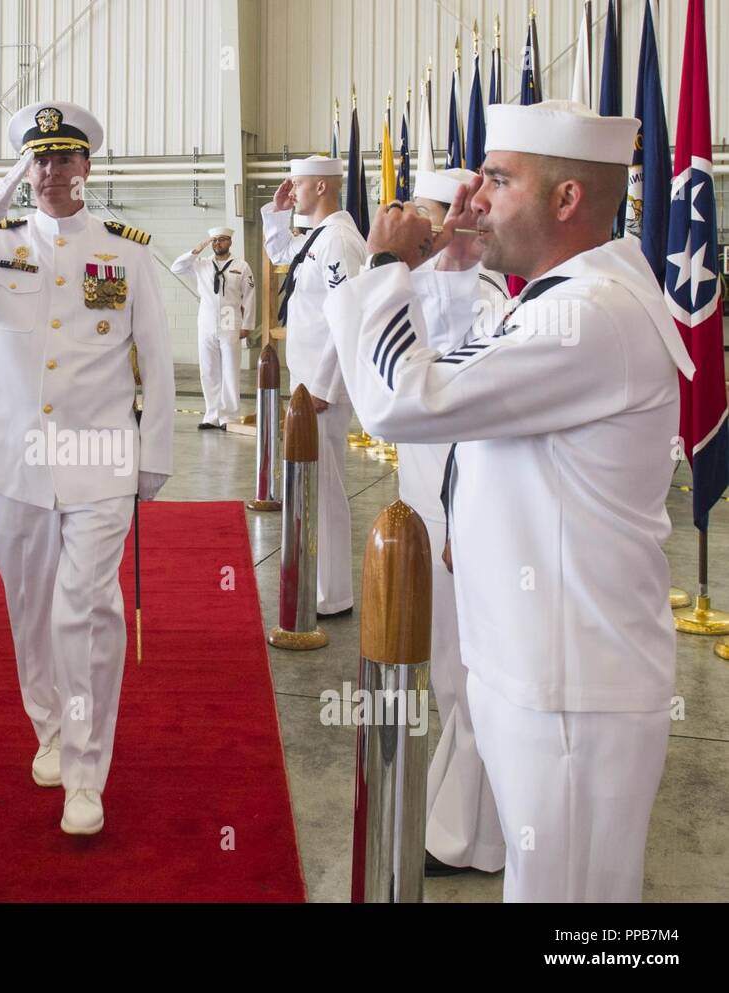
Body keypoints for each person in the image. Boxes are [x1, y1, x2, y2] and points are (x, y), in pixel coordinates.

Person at [325, 100, 694, 902]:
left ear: (567, 200)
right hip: (539, 666)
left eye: (498, 178)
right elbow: (468, 370)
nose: (476, 197)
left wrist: (387, 266)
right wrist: (454, 270)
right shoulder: (563, 296)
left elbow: (405, 399)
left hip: (570, 688)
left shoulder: (587, 314)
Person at [0, 101, 175, 835]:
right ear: (24, 169)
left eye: (65, 158)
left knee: (86, 607)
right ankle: (52, 730)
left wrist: (151, 455)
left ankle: (87, 773)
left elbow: (155, 360)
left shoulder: (124, 251)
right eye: (40, 160)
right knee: (30, 609)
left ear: (87, 166)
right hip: (17, 461)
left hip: (98, 461)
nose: (53, 172)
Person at [394, 167, 507, 877]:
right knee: (447, 674)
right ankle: (458, 807)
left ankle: (471, 838)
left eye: (428, 218)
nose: (419, 231)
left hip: (460, 513)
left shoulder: (488, 302)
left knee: (470, 673)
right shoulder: (427, 292)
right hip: (429, 505)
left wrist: (465, 520)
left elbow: (479, 420)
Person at [261, 156, 367, 617]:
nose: (292, 189)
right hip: (309, 385)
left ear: (321, 187)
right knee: (311, 489)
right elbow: (283, 253)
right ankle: (321, 585)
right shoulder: (321, 237)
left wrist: (324, 385)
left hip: (323, 388)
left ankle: (333, 593)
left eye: (298, 184)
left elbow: (348, 319)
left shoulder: (340, 241)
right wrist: (275, 211)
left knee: (324, 490)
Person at [170, 227, 255, 429]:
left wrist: (248, 324)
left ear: (230, 242)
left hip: (230, 318)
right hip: (207, 320)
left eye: (222, 240)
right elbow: (176, 267)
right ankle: (211, 415)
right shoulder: (201, 264)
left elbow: (250, 296)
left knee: (230, 370)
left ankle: (229, 417)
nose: (218, 244)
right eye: (214, 240)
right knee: (208, 370)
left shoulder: (241, 266)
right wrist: (197, 249)